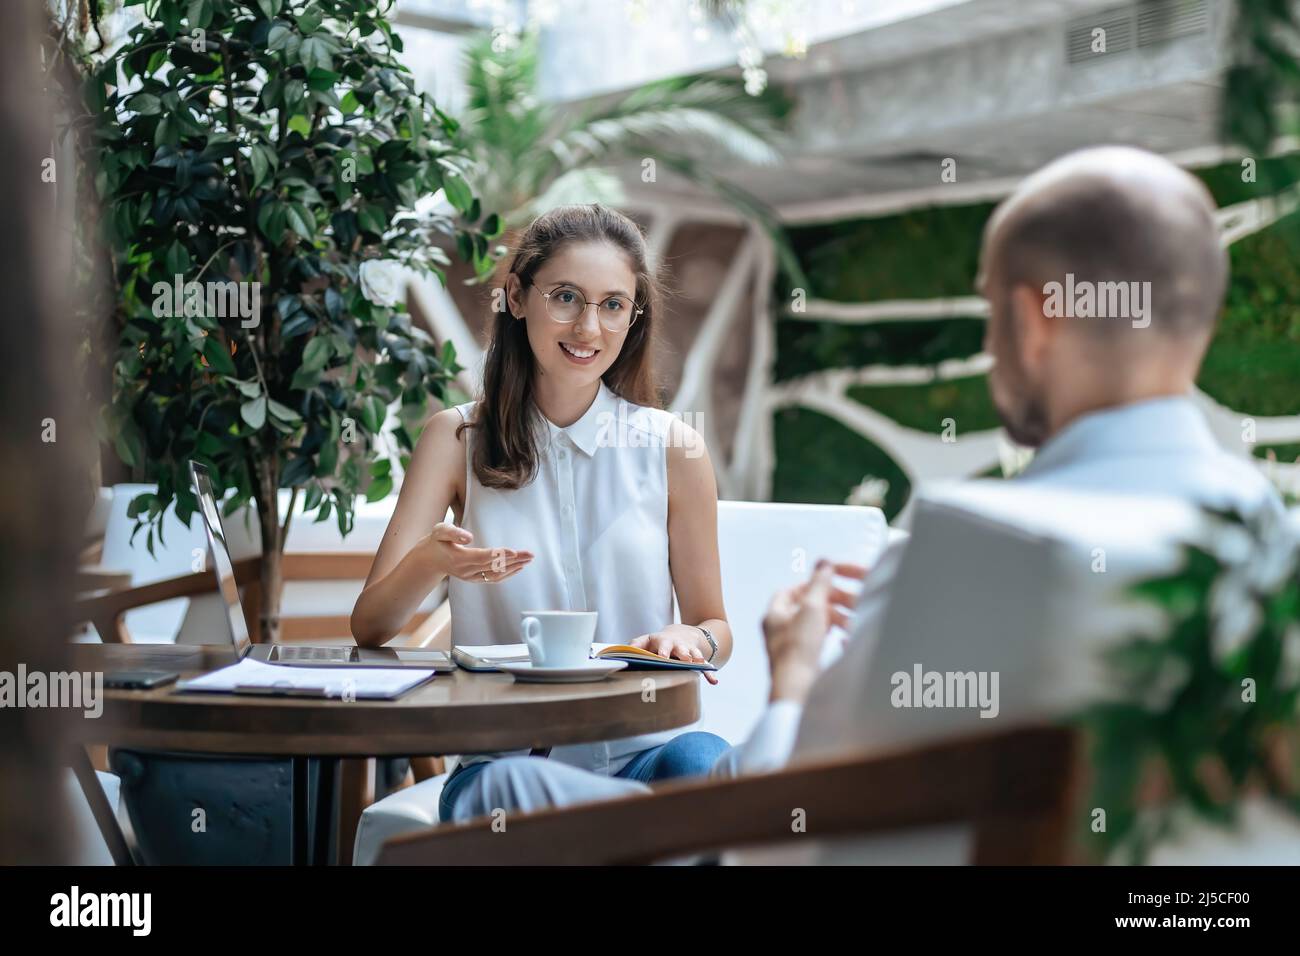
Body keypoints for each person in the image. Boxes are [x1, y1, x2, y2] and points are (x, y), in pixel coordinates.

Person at [720, 145, 1286, 778]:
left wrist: (792, 681)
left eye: (993, 315)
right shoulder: (1281, 552)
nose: (990, 347)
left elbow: (791, 831)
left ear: (1034, 321)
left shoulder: (969, 549)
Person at [352, 203, 731, 821]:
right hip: (505, 764)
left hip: (645, 755)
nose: (589, 327)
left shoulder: (674, 447)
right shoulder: (455, 439)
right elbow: (369, 627)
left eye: (613, 305)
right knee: (514, 794)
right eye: (566, 297)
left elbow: (716, 624)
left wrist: (693, 637)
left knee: (707, 766)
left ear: (633, 317)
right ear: (518, 298)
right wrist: (430, 561)